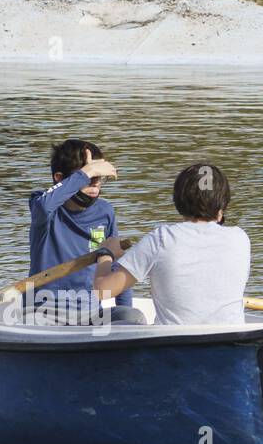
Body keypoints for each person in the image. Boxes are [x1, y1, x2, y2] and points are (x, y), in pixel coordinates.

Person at [92, 163, 250, 325]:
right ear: (221, 209)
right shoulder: (241, 238)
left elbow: (102, 291)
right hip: (231, 343)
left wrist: (105, 254)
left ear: (179, 202)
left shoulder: (161, 238)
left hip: (173, 347)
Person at [27, 139, 143, 325]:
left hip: (90, 313)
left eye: (99, 176)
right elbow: (44, 206)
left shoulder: (105, 211)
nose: (96, 183)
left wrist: (127, 319)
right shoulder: (43, 206)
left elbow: (117, 267)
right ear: (60, 178)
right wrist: (86, 172)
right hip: (44, 312)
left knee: (133, 316)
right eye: (90, 176)